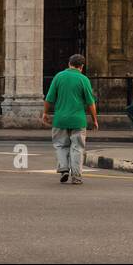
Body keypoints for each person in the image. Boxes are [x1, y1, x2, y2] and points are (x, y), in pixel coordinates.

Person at [42, 53, 98, 185]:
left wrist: (45, 113)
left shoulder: (59, 77)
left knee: (61, 145)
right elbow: (91, 103)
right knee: (77, 147)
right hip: (78, 120)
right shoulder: (84, 80)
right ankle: (77, 176)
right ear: (82, 66)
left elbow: (49, 98)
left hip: (60, 119)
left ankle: (64, 169)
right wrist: (94, 119)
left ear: (69, 64)